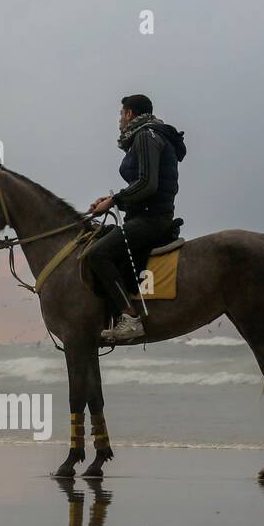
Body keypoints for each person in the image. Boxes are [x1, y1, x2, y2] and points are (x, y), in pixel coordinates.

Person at [84, 95, 187, 342]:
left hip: (151, 220)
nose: (119, 119)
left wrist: (114, 201)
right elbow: (140, 186)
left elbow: (147, 184)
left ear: (130, 114)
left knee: (96, 254)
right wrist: (108, 200)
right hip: (147, 215)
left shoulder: (145, 135)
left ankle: (130, 319)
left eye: (121, 113)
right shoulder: (150, 135)